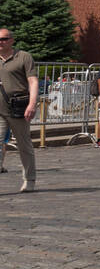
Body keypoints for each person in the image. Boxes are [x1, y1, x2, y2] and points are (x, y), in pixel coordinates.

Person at [0, 26, 39, 192]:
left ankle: (29, 179)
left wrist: (32, 104)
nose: (0, 42)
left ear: (12, 40)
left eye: (4, 39)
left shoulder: (23, 57)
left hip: (18, 109)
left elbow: (33, 81)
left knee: (24, 145)